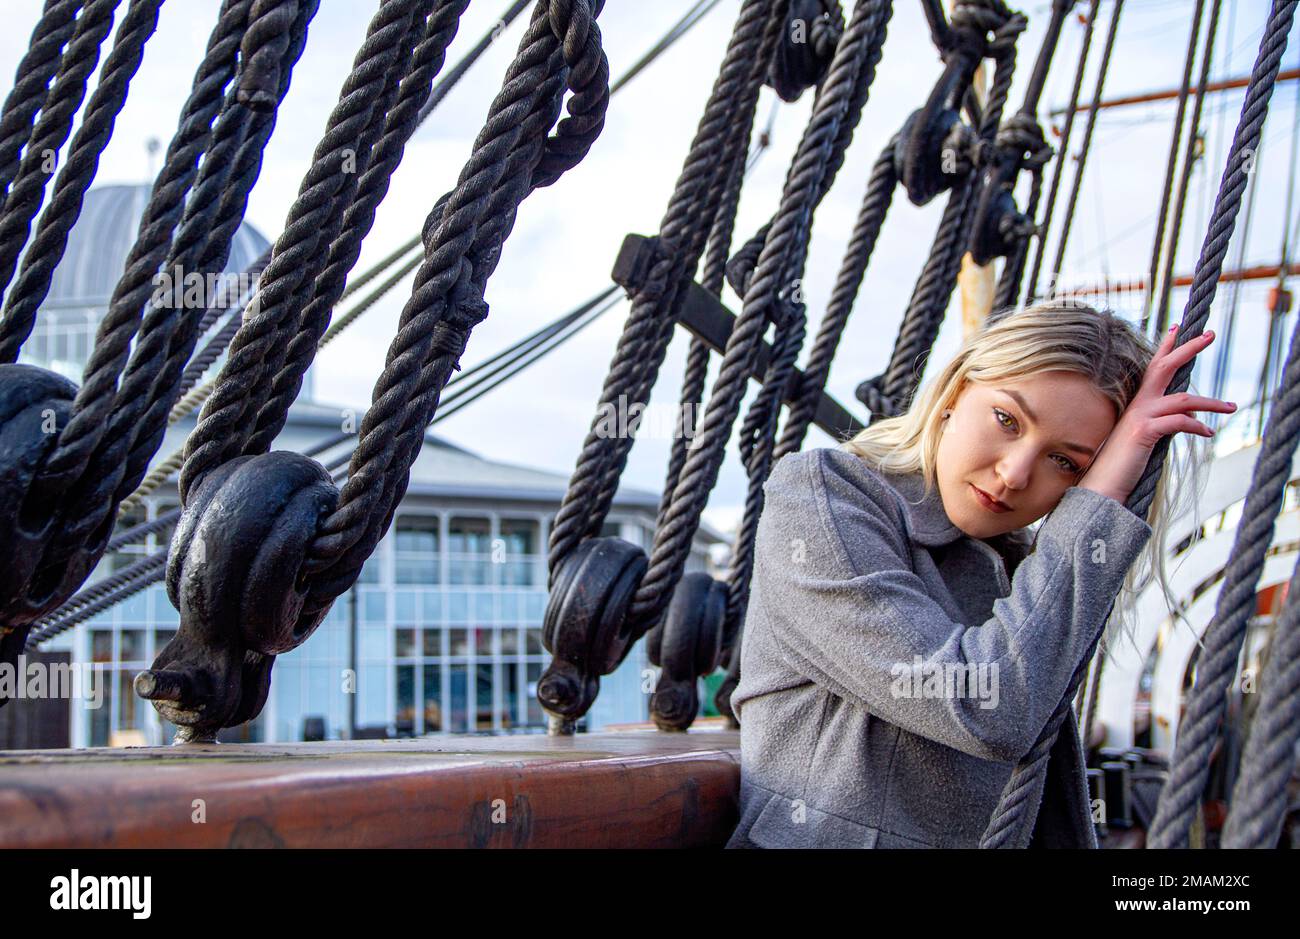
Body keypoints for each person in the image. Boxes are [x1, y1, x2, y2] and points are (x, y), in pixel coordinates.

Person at [724, 300, 1235, 849]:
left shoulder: (1026, 566)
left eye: (1066, 463)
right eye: (1007, 419)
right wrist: (1093, 507)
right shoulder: (823, 497)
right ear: (956, 391)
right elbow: (986, 705)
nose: (1015, 474)